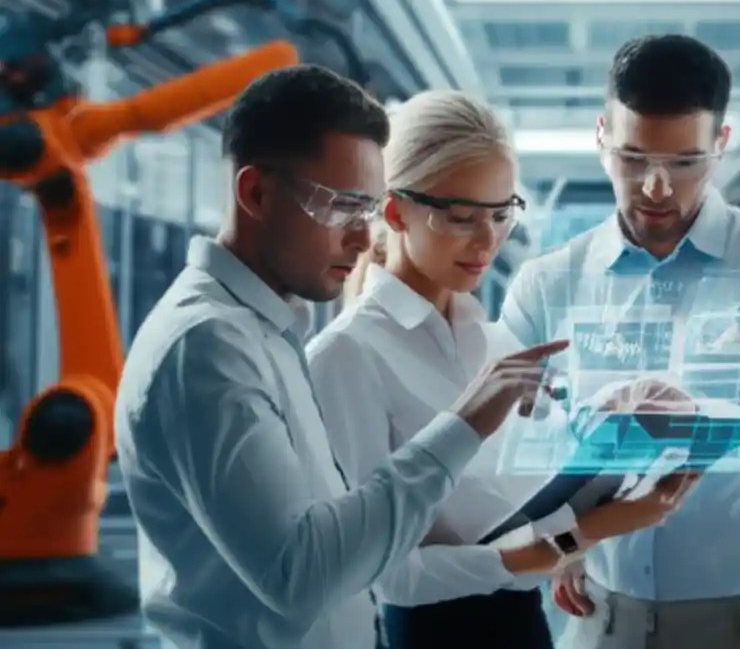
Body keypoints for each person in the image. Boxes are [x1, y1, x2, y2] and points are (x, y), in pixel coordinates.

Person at [112, 65, 572, 649]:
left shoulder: (264, 334)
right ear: (255, 193)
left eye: (367, 209)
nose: (361, 238)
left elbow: (346, 552)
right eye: (340, 208)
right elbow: (302, 573)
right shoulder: (206, 349)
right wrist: (463, 426)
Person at [498, 35, 740, 649]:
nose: (655, 188)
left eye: (684, 163)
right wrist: (570, 534)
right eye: (633, 158)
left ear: (721, 146)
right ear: (601, 138)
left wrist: (704, 423)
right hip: (601, 623)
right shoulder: (548, 286)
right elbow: (507, 462)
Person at [306, 89, 699, 649]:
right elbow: (390, 578)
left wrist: (615, 417)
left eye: (501, 214)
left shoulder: (495, 344)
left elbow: (524, 493)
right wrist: (578, 537)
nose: (487, 240)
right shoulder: (346, 357)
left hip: (523, 626)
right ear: (394, 211)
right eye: (463, 217)